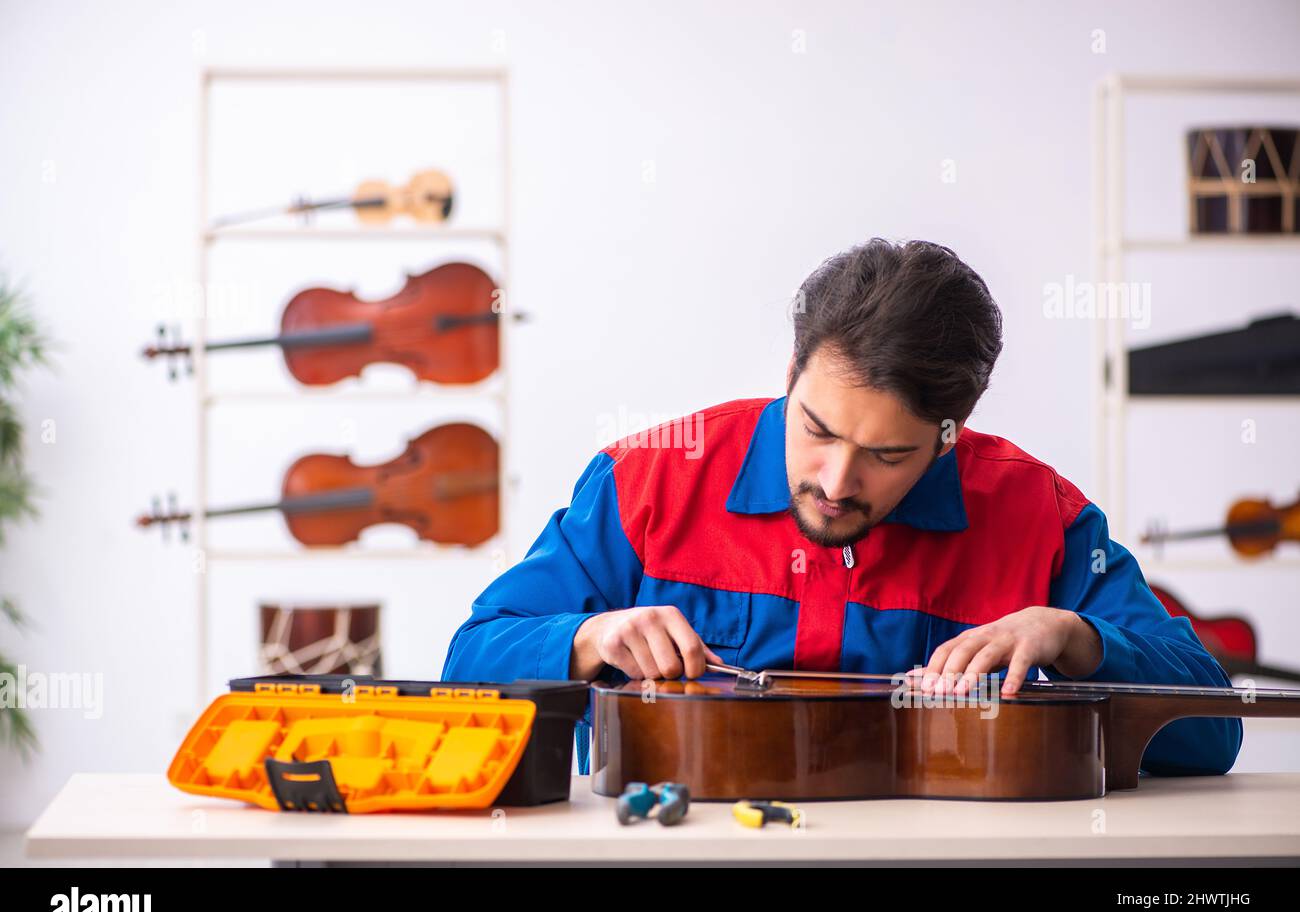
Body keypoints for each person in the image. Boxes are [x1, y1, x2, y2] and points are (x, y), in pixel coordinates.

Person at [442, 238, 1242, 778]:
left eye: (887, 455)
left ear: (948, 435)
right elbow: (468, 665)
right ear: (790, 370)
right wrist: (586, 636)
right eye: (815, 428)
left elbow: (1210, 731)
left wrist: (1075, 638)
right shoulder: (647, 480)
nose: (834, 479)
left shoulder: (1042, 517)